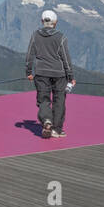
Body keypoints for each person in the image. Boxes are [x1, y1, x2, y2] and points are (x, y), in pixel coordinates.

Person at [25, 9, 75, 138]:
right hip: (59, 74)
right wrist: (71, 76)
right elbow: (66, 58)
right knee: (59, 100)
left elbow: (30, 55)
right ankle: (57, 129)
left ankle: (47, 120)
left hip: (41, 72)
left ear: (42, 21)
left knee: (43, 99)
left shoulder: (35, 35)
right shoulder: (61, 37)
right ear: (55, 22)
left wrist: (29, 71)